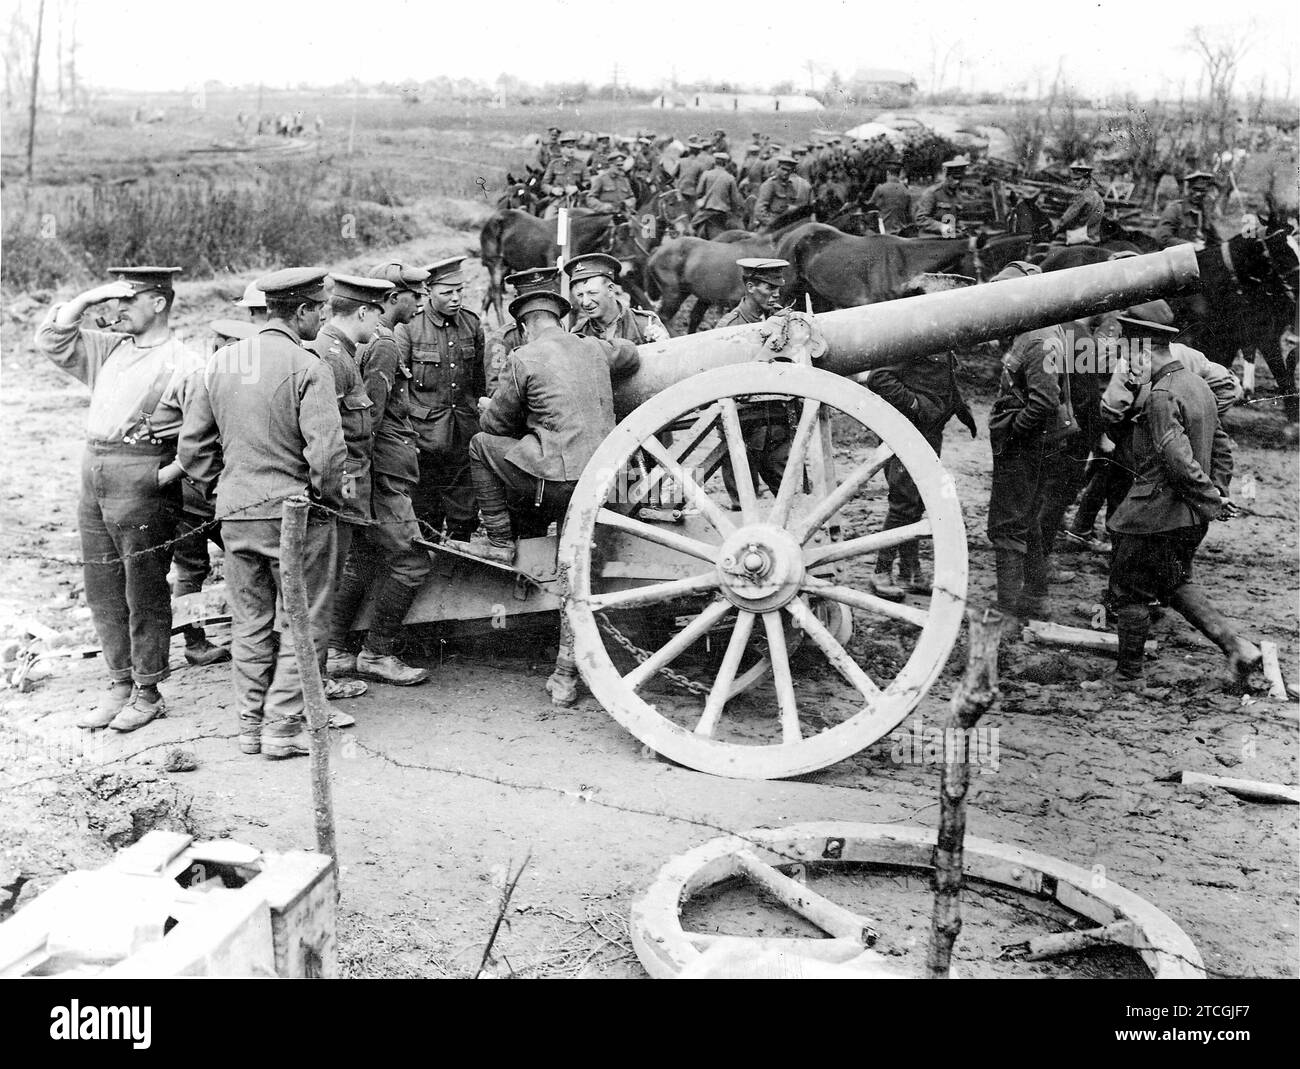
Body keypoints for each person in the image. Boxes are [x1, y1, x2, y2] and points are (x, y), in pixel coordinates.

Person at [178, 268, 347, 759]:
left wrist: (222, 495)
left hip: (237, 513)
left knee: (248, 622)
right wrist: (324, 499)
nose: (322, 317)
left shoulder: (222, 361)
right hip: (295, 516)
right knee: (305, 620)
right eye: (319, 308)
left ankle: (249, 728)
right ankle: (281, 728)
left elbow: (193, 449)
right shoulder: (309, 365)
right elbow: (328, 454)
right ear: (300, 311)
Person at [35, 266, 207, 732]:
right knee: (102, 585)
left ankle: (148, 691)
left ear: (159, 303)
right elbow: (52, 339)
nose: (117, 309)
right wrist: (91, 296)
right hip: (94, 472)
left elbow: (203, 440)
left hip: (143, 477)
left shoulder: (186, 363)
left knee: (143, 587)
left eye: (128, 300)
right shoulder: (110, 349)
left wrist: (162, 476)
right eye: (114, 301)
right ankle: (118, 683)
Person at [1106, 314, 1260, 689]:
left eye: (1130, 358)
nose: (1128, 370)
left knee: (1128, 592)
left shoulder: (1161, 396)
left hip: (1153, 515)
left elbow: (1176, 459)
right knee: (1174, 583)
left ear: (1143, 354)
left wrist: (1210, 498)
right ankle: (1238, 649)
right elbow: (1221, 447)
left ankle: (1128, 677)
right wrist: (1215, 495)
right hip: (1188, 518)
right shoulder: (1197, 383)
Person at [452, 289, 640, 563]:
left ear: (525, 328)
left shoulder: (521, 357)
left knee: (479, 445)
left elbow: (496, 425)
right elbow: (630, 353)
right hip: (607, 476)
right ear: (561, 323)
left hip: (561, 481)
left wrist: (487, 410)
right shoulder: (592, 345)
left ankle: (499, 543)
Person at [327, 263, 433, 687]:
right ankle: (376, 653)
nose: (421, 301)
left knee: (363, 557)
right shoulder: (385, 344)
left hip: (373, 471)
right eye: (415, 294)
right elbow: (367, 419)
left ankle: (335, 650)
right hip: (383, 472)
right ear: (389, 301)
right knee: (411, 559)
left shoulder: (357, 342)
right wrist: (364, 488)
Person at [305, 274, 393, 697]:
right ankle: (317, 681)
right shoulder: (331, 357)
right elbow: (330, 435)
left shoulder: (338, 352)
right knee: (325, 585)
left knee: (332, 580)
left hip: (346, 487)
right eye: (377, 314)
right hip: (339, 491)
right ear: (362, 311)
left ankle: (321, 673)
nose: (379, 324)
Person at [985, 261, 1065, 627]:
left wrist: (1013, 430)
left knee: (1007, 524)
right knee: (1028, 519)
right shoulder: (1043, 330)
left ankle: (1008, 610)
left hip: (1025, 445)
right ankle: (1037, 597)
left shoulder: (1036, 338)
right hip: (1036, 443)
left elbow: (1045, 400)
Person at [866, 346, 977, 600]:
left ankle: (910, 572)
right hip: (908, 431)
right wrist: (914, 404)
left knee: (916, 503)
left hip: (929, 431)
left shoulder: (939, 337)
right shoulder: (915, 337)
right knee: (903, 503)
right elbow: (879, 378)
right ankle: (881, 571)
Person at [395, 256, 487, 544]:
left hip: (463, 433)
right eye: (447, 292)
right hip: (424, 438)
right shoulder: (409, 327)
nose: (456, 298)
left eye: (460, 290)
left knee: (464, 513)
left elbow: (478, 382)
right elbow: (400, 389)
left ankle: (458, 566)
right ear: (428, 292)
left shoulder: (472, 324)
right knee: (425, 511)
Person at [713, 259, 795, 502]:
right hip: (744, 427)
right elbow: (718, 383)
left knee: (789, 495)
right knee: (744, 500)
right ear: (750, 287)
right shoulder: (729, 327)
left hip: (778, 424)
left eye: (778, 288)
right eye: (769, 288)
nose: (776, 294)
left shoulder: (782, 320)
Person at [566, 253, 669, 343]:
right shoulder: (578, 335)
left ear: (610, 289)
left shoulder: (646, 323)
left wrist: (663, 343)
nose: (585, 302)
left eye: (592, 293)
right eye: (580, 295)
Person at [1155, 171, 1223, 249]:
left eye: (1202, 190)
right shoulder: (1174, 210)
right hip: (1178, 256)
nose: (1198, 194)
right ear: (1188, 189)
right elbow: (1163, 239)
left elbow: (1216, 239)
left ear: (1206, 192)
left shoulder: (1203, 212)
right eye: (1195, 189)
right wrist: (1192, 246)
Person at [691, 151, 746, 240]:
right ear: (726, 163)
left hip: (705, 212)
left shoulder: (706, 174)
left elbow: (698, 192)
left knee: (691, 228)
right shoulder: (730, 178)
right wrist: (735, 214)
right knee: (741, 234)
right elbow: (734, 200)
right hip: (723, 213)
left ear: (715, 162)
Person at [753, 155, 812, 228]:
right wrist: (772, 223)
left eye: (789, 170)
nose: (786, 172)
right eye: (783, 169)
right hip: (770, 225)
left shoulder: (790, 186)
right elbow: (759, 211)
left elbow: (790, 204)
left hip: (785, 224)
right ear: (777, 168)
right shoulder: (770, 184)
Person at [916, 157, 968, 237]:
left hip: (948, 237)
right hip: (930, 239)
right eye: (954, 178)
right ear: (947, 177)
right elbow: (921, 219)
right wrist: (945, 228)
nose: (957, 181)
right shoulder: (932, 193)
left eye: (960, 178)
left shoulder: (958, 195)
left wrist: (961, 226)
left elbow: (956, 217)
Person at [540, 132, 587, 219]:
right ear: (562, 149)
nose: (572, 150)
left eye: (573, 147)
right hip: (558, 201)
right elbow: (544, 184)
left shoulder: (581, 164)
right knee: (547, 220)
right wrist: (553, 190)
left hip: (577, 201)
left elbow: (587, 182)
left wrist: (576, 188)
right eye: (569, 148)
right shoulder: (554, 164)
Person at [1057, 161, 1105, 244]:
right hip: (1093, 238)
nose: (1074, 182)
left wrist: (1055, 231)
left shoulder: (1083, 197)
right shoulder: (1097, 196)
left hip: (1078, 238)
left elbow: (1066, 218)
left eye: (1078, 179)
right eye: (1073, 179)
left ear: (1087, 179)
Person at [866, 159, 912, 235]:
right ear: (899, 174)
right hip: (901, 231)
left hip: (883, 230)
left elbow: (870, 208)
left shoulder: (880, 188)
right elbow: (908, 213)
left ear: (887, 173)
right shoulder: (905, 190)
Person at [584, 150, 636, 215]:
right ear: (611, 165)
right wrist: (604, 207)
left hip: (623, 214)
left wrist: (627, 203)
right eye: (618, 165)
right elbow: (590, 198)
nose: (620, 168)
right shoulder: (601, 179)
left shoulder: (625, 180)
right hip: (605, 215)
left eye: (622, 165)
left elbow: (632, 197)